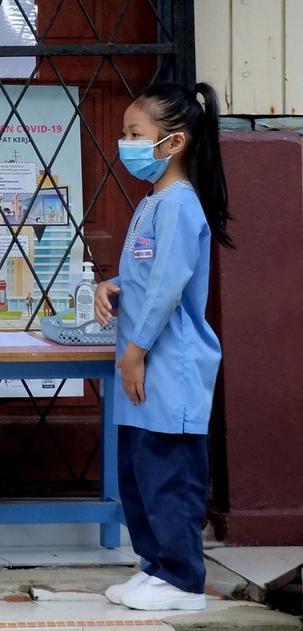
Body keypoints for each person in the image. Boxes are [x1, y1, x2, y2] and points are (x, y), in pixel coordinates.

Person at [93, 82, 233, 612]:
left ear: (173, 143)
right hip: (143, 365)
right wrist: (111, 286)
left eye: (135, 134)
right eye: (124, 133)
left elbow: (169, 287)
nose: (124, 144)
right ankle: (156, 568)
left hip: (166, 366)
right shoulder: (153, 202)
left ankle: (182, 580)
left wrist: (135, 351)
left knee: (171, 476)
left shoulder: (179, 205)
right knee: (141, 477)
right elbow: (147, 276)